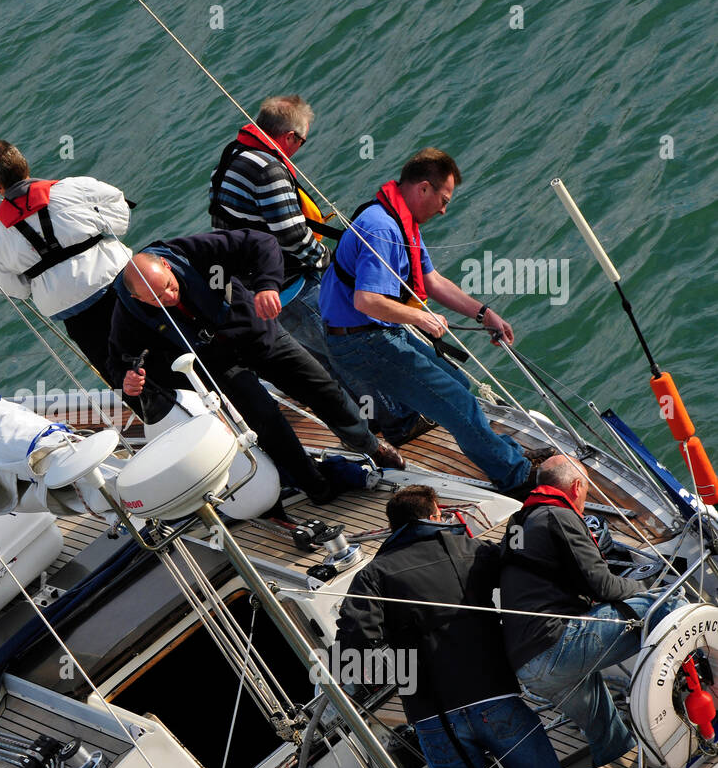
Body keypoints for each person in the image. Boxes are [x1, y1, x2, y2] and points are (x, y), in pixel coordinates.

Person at [107, 229, 405, 504]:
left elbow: (261, 243)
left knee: (323, 387)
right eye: (157, 298)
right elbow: (120, 358)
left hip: (256, 333)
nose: (169, 297)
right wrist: (127, 380)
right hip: (218, 364)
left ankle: (369, 445)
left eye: (169, 287)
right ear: (137, 297)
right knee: (266, 422)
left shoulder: (191, 251)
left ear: (167, 267)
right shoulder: (128, 311)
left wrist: (267, 286)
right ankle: (316, 486)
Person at [336, 485, 563, 768]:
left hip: (433, 719)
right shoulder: (470, 550)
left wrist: (405, 672)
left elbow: (352, 650)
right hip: (495, 696)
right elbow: (522, 572)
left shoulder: (372, 575)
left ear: (392, 526)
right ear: (434, 515)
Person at [208, 95, 427, 445]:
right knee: (349, 354)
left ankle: (366, 423)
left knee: (322, 363)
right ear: (288, 137)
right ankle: (399, 422)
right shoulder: (268, 169)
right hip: (294, 284)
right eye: (302, 140)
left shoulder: (231, 156)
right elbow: (293, 234)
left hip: (261, 289)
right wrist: (330, 263)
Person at [318, 148, 538, 496]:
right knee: (457, 402)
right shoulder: (383, 229)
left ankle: (504, 455)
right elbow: (368, 301)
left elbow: (432, 281)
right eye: (444, 199)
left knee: (457, 383)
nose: (445, 209)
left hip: (375, 332)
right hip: (360, 342)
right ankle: (518, 477)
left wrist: (484, 313)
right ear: (423, 188)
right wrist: (420, 316)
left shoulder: (401, 220)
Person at [500, 455, 682, 766]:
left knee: (608, 736)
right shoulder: (559, 516)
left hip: (529, 667)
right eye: (586, 489)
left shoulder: (519, 526)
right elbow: (603, 586)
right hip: (558, 646)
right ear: (576, 486)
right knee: (668, 606)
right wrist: (646, 592)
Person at [0, 139, 131, 380]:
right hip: (119, 281)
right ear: (25, 165)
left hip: (73, 311)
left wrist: (32, 285)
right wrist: (108, 229)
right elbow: (118, 206)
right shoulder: (74, 187)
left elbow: (3, 286)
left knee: (118, 373)